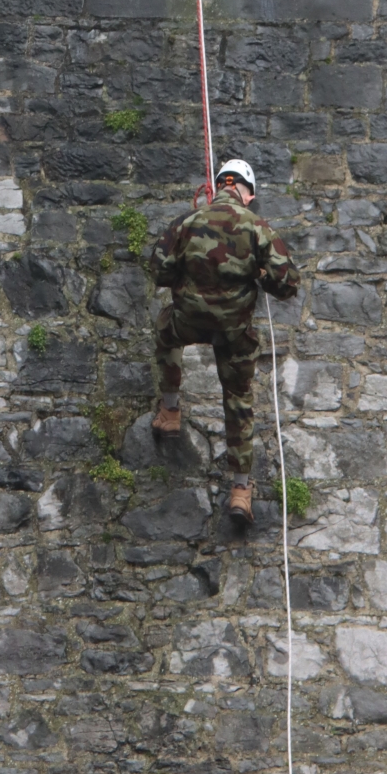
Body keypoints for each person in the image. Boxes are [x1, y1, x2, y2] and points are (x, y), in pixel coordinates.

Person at [147, 157, 301, 524]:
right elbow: (288, 285)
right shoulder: (258, 228)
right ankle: (241, 491)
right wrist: (260, 276)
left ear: (219, 187)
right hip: (233, 332)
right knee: (238, 400)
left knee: (165, 330)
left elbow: (159, 270)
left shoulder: (186, 222)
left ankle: (169, 410)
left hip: (189, 321)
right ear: (248, 195)